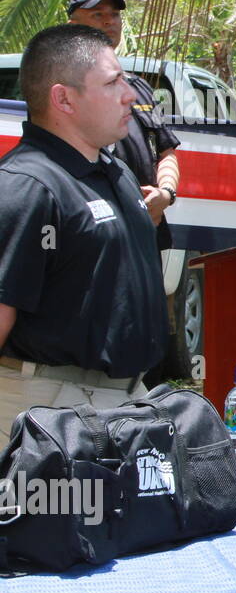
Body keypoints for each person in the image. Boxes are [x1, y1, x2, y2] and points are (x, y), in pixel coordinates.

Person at [0, 25, 168, 440]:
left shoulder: (116, 173)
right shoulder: (28, 185)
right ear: (64, 99)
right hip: (49, 410)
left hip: (123, 402)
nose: (130, 94)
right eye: (113, 83)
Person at [66, 0, 182, 251]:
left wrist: (165, 194)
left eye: (115, 14)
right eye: (97, 14)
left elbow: (167, 153)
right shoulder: (62, 86)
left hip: (144, 230)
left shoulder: (137, 87)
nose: (109, 21)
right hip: (91, 230)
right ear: (72, 25)